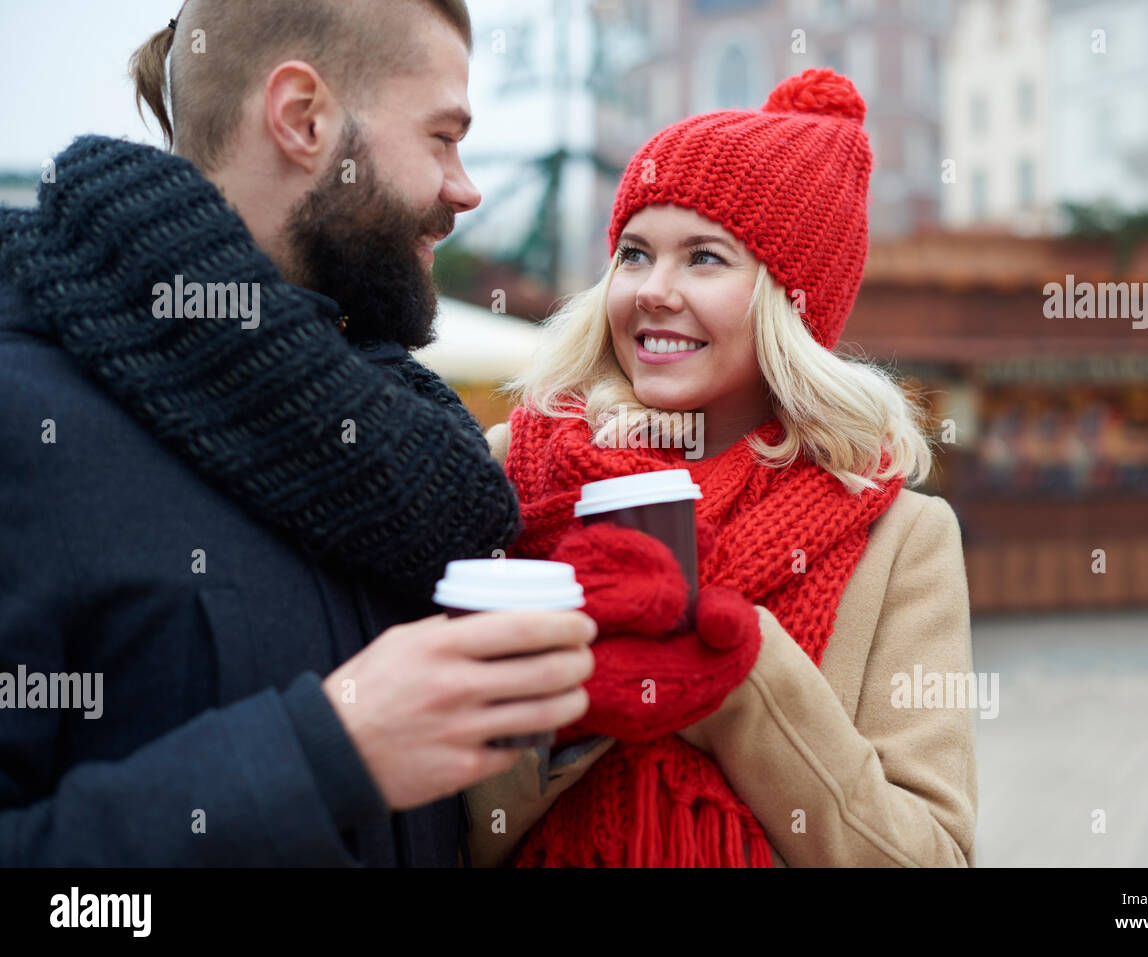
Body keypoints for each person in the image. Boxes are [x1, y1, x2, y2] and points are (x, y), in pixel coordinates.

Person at [0, 0, 596, 866]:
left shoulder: (409, 453)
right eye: (442, 138)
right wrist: (323, 754)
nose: (466, 187)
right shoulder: (25, 418)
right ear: (303, 118)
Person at [467, 69, 979, 867]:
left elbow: (930, 856)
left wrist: (741, 674)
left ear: (789, 303)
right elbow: (421, 829)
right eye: (634, 254)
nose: (654, 291)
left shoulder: (903, 538)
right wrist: (577, 705)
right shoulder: (512, 469)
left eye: (705, 258)